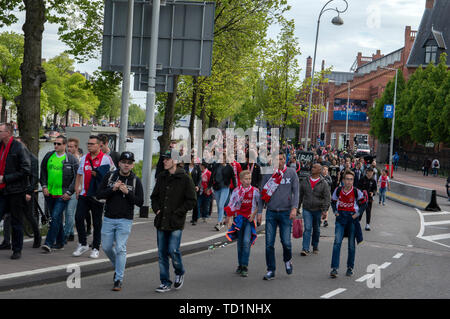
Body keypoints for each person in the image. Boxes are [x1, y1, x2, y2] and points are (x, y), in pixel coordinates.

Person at [97, 151, 144, 291]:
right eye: (124, 162)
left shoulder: (136, 180)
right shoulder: (110, 176)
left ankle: (118, 279)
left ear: (132, 165)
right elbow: (99, 195)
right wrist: (113, 189)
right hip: (109, 218)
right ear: (119, 163)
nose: (126, 165)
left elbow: (140, 202)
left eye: (129, 163)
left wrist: (127, 192)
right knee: (105, 247)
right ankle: (119, 267)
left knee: (120, 248)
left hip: (125, 219)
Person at [151, 150, 196, 293]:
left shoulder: (185, 178)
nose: (164, 161)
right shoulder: (161, 176)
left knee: (173, 250)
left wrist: (179, 212)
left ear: (175, 161)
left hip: (176, 221)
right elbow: (154, 197)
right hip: (161, 221)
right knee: (162, 253)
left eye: (167, 159)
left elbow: (192, 200)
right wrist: (157, 210)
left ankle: (180, 271)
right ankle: (165, 282)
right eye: (163, 159)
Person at [72, 135, 116, 258]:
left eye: (92, 144)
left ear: (99, 145)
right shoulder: (84, 157)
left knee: (97, 223)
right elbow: (79, 173)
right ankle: (82, 243)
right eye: (88, 144)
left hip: (98, 196)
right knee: (78, 218)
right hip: (84, 194)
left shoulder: (106, 159)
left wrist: (108, 191)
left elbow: (114, 174)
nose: (89, 146)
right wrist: (77, 188)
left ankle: (96, 247)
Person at [260, 152, 299, 280]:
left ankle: (287, 261)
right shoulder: (268, 173)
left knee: (286, 242)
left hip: (286, 212)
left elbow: (296, 191)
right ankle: (271, 270)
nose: (279, 161)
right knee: (269, 244)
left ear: (285, 160)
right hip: (271, 212)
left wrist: (294, 208)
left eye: (281, 159)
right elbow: (262, 192)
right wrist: (260, 211)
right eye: (276, 159)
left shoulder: (291, 173)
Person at [40, 136, 79, 252]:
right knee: (56, 219)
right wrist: (44, 186)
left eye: (58, 144)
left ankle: (48, 243)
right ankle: (61, 242)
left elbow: (76, 178)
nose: (55, 146)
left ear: (64, 145)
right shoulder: (49, 156)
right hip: (49, 193)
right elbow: (43, 172)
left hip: (62, 195)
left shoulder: (71, 159)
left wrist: (69, 192)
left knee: (55, 217)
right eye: (54, 144)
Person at [0, 123, 31, 259]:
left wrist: (5, 178)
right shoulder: (0, 146)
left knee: (16, 221)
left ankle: (17, 249)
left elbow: (26, 170)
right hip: (1, 190)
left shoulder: (19, 147)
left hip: (15, 191)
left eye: (0, 131)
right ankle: (7, 242)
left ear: (7, 133)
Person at [330, 170, 367, 278]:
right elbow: (332, 202)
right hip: (340, 218)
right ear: (343, 180)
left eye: (351, 179)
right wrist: (336, 213)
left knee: (351, 245)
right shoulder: (338, 190)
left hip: (352, 219)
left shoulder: (357, 192)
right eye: (347, 179)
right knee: (337, 242)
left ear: (353, 180)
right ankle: (334, 268)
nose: (349, 182)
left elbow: (364, 204)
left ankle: (350, 267)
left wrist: (357, 215)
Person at [225, 170, 260, 277]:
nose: (248, 181)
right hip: (239, 220)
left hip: (249, 221)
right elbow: (231, 205)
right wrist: (229, 219)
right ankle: (240, 265)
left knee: (246, 242)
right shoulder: (236, 191)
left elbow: (260, 204)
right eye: (246, 179)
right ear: (241, 180)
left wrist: (254, 214)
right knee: (240, 243)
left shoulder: (255, 191)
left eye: (250, 179)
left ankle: (245, 265)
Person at [298, 163, 330, 255]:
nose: (312, 168)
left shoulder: (324, 183)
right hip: (307, 208)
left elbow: (327, 198)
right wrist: (297, 207)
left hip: (318, 209)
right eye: (312, 167)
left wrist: (324, 210)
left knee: (316, 229)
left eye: (315, 167)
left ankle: (315, 246)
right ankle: (305, 248)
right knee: (307, 228)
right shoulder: (305, 181)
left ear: (319, 170)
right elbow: (300, 195)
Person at [64, 137, 82, 243]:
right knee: (66, 213)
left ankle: (65, 234)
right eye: (68, 146)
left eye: (71, 147)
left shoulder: (80, 159)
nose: (69, 149)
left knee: (70, 212)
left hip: (76, 190)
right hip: (66, 188)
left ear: (76, 148)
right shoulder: (65, 158)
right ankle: (70, 233)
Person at [210, 160, 236, 231]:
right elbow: (212, 176)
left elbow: (233, 177)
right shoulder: (216, 166)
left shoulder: (229, 167)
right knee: (219, 206)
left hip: (225, 188)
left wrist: (235, 188)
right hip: (217, 188)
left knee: (221, 205)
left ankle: (219, 222)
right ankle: (224, 218)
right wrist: (209, 186)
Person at [184, 156, 201, 225]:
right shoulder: (185, 167)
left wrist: (198, 186)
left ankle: (195, 219)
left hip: (194, 188)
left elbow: (200, 178)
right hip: (186, 188)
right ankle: (182, 217)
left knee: (195, 203)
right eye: (193, 159)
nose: (195, 160)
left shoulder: (197, 168)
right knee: (184, 202)